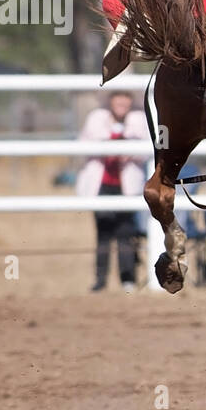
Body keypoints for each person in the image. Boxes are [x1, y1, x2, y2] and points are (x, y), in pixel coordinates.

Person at [77, 90, 147, 292]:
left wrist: (129, 152)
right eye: (118, 97)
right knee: (104, 232)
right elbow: (84, 145)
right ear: (111, 100)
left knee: (126, 232)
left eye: (126, 97)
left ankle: (128, 279)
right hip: (102, 184)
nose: (122, 101)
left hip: (128, 185)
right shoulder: (96, 119)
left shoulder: (139, 119)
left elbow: (147, 150)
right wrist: (112, 147)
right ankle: (100, 280)